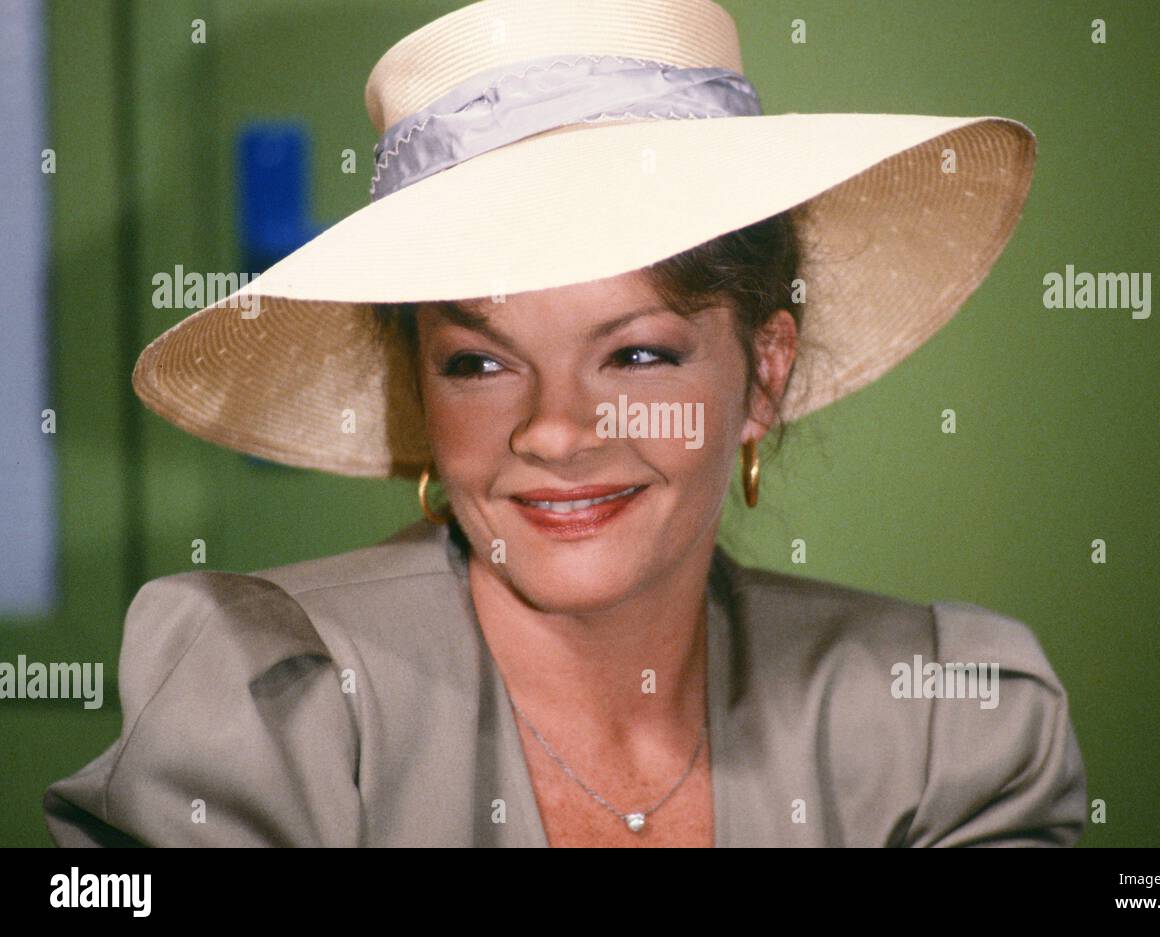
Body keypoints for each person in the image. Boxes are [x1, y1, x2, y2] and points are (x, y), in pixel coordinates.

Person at [44, 0, 1086, 847]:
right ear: (419, 392)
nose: (554, 431)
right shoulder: (269, 712)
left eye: (635, 352)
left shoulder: (945, 723)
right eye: (481, 363)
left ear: (762, 373)